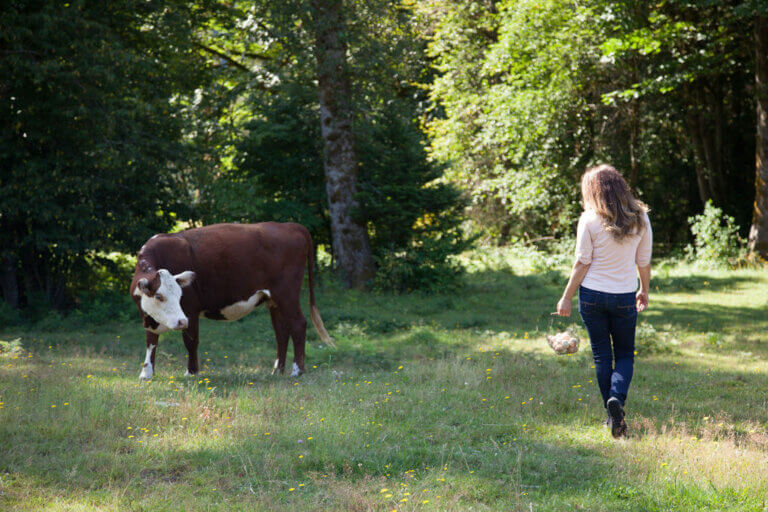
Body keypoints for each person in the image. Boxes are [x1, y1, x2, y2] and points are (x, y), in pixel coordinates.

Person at [556, 164, 652, 439]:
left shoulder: (588, 219)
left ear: (593, 191)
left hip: (592, 296)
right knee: (625, 355)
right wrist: (644, 290)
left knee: (601, 355)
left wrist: (566, 297)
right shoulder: (640, 218)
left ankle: (612, 417)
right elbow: (643, 261)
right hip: (624, 296)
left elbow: (582, 262)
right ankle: (616, 400)